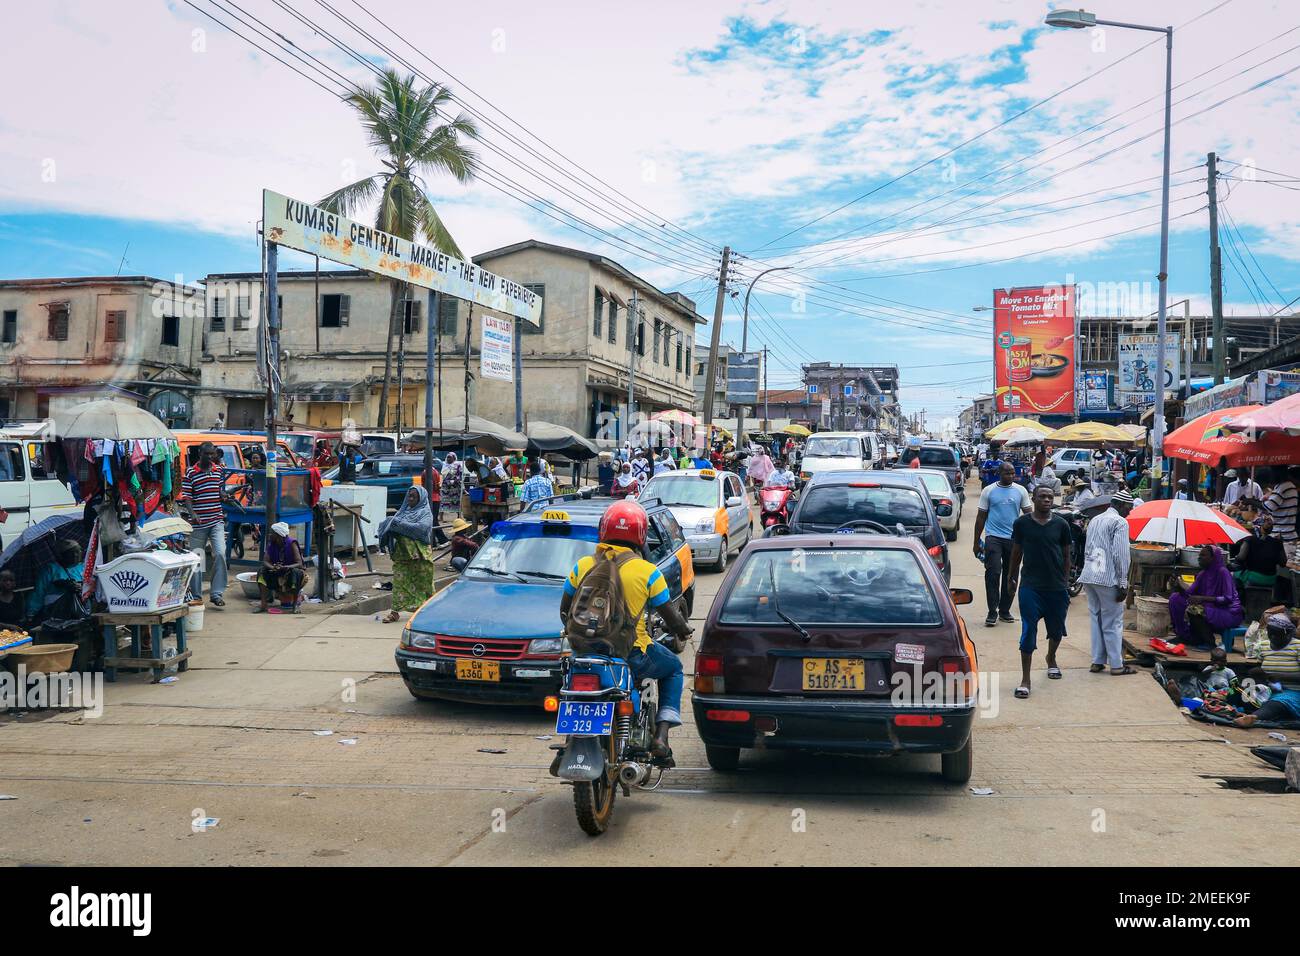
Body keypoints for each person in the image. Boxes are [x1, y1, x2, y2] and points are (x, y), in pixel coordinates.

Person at [560, 499, 692, 760]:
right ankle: (661, 737)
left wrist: (584, 636)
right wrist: (683, 629)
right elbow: (671, 618)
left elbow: (564, 612)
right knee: (674, 669)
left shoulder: (582, 566)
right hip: (631, 652)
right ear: (641, 535)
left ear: (603, 530)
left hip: (584, 653)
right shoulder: (648, 573)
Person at [1008, 485, 1073, 698]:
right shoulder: (1022, 524)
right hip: (1030, 587)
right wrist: (1011, 577)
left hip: (1056, 587)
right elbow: (1016, 553)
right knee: (1028, 631)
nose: (1046, 499)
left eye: (1049, 496)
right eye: (1042, 496)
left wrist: (1065, 582)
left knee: (1056, 631)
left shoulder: (1062, 525)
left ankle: (1051, 658)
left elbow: (1066, 556)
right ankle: (1025, 680)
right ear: (1033, 499)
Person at [1079, 488, 1137, 676]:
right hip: (1107, 577)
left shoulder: (1095, 519)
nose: (1129, 512)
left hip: (1089, 575)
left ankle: (1097, 661)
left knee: (1097, 618)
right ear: (1119, 505)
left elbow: (1087, 547)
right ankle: (1116, 665)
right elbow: (1121, 555)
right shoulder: (1120, 522)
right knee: (1113, 622)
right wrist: (1123, 583)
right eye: (1128, 508)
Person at [973, 462, 1032, 628]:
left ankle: (1004, 610)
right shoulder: (989, 491)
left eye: (1013, 473)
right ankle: (992, 611)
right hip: (993, 537)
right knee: (993, 572)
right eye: (1007, 473)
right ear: (999, 473)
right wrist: (976, 541)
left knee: (1011, 574)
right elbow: (980, 518)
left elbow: (1029, 515)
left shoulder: (1021, 491)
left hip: (1014, 539)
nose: (1011, 476)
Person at [378, 487, 438, 622]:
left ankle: (427, 609)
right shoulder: (403, 512)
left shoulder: (425, 513)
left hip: (420, 556)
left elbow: (421, 528)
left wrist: (400, 525)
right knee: (400, 583)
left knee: (424, 583)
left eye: (414, 497)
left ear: (421, 498)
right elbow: (391, 525)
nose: (410, 499)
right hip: (402, 554)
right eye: (409, 496)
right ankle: (394, 612)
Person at [1168, 545, 1244, 649]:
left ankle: (1209, 642)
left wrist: (1203, 598)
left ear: (1213, 558)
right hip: (1211, 609)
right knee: (1175, 599)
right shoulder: (1202, 574)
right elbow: (1189, 595)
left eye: (1203, 555)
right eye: (1199, 555)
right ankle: (1185, 636)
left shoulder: (1223, 572)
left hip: (1229, 612)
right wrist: (1178, 586)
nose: (1199, 557)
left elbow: (1228, 598)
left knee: (1196, 610)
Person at [1233, 613, 1300, 727]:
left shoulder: (1297, 647)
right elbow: (1261, 670)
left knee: (1279, 702)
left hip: (1293, 692)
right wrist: (1257, 674)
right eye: (1270, 633)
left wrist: (1280, 677)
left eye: (1277, 635)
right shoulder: (1263, 646)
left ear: (1288, 633)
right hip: (1268, 689)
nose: (1273, 637)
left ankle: (1253, 717)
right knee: (1241, 692)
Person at [183, 441, 228, 607]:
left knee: (220, 554)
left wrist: (223, 495)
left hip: (216, 519)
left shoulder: (218, 470)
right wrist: (193, 513)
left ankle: (216, 593)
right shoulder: (190, 473)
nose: (210, 457)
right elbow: (187, 497)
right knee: (197, 558)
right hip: (198, 522)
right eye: (207, 454)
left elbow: (219, 490)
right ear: (200, 454)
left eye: (212, 454)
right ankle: (196, 594)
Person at [255, 522, 306, 613]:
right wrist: (273, 567)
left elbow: (299, 563)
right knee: (261, 572)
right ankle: (263, 604)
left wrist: (286, 567)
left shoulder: (292, 543)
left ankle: (295, 605)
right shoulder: (271, 544)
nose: (270, 535)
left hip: (290, 572)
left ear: (278, 535)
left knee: (296, 573)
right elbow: (265, 561)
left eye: (272, 533)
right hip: (277, 571)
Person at [1233, 514, 1286, 590]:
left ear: (1257, 526)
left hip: (1254, 577)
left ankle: (1238, 600)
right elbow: (1283, 563)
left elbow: (1241, 558)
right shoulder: (1277, 542)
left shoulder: (1249, 539)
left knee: (1234, 575)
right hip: (1271, 579)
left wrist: (1236, 559)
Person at [1264, 466, 1300, 561]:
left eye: (1272, 472)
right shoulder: (1283, 486)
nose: (1270, 475)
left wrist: (1251, 501)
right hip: (1284, 536)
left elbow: (1269, 506)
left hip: (1284, 537)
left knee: (1283, 569)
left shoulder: (1284, 487)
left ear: (1278, 473)